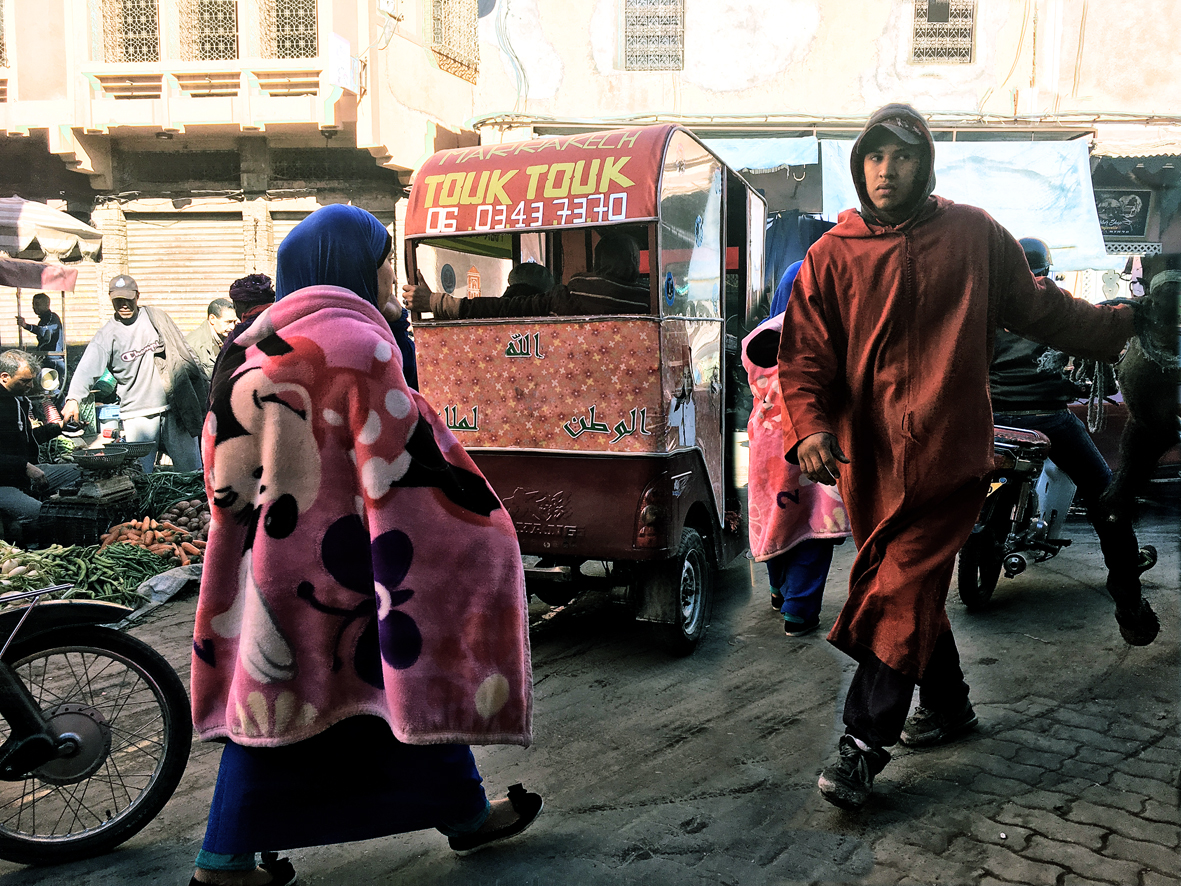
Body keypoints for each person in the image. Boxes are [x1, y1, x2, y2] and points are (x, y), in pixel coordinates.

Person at [776, 103, 1140, 811]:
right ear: (859, 166)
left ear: (924, 164)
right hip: (868, 462)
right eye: (874, 157)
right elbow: (804, 357)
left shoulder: (973, 234)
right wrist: (809, 427)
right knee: (906, 581)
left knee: (900, 584)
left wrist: (1126, 324)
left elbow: (1043, 310)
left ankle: (860, 743)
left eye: (902, 156)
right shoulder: (831, 255)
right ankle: (947, 706)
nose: (887, 170)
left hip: (948, 450)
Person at [189, 204, 540, 886]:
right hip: (352, 564)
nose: (390, 280)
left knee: (282, 701)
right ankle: (221, 863)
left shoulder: (249, 349)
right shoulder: (361, 348)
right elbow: (411, 463)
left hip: (268, 569)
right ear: (348, 267)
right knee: (398, 679)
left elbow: (220, 471)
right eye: (383, 263)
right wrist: (483, 530)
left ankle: (463, 816)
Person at [990, 237, 1158, 645]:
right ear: (1046, 271)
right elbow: (1096, 323)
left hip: (991, 420)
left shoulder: (983, 305)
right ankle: (1129, 600)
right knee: (1108, 499)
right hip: (1048, 419)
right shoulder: (1052, 307)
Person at [743, 260, 851, 636]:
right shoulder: (823, 334)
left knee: (780, 515)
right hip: (810, 437)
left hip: (766, 445)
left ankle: (778, 590)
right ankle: (799, 612)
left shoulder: (757, 336)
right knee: (813, 524)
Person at [61, 275, 208, 474]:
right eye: (118, 300)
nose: (124, 305)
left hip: (175, 408)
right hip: (138, 414)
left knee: (192, 472)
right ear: (111, 299)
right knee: (142, 475)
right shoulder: (107, 335)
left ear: (137, 296)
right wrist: (73, 398)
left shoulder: (156, 318)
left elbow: (182, 352)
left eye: (128, 299)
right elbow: (88, 367)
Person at [406, 230, 648, 318]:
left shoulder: (569, 297)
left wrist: (434, 302)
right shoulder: (650, 304)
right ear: (636, 264)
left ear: (597, 263)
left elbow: (503, 309)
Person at [0, 350, 79, 542]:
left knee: (81, 471)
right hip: (3, 482)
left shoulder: (17, 399)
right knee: (44, 515)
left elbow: (27, 439)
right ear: (4, 377)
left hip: (22, 475)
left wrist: (59, 427)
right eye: (25, 381)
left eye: (32, 380)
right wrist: (25, 467)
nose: (31, 386)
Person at [16, 293, 66, 403]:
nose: (34, 307)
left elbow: (45, 332)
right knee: (45, 390)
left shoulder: (52, 319)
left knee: (53, 390)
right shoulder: (44, 319)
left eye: (38, 304)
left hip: (54, 360)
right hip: (46, 358)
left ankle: (64, 415)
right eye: (33, 304)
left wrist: (26, 326)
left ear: (47, 304)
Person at [186, 298, 238, 381]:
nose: (232, 327)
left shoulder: (229, 336)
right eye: (228, 322)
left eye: (234, 322)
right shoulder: (194, 345)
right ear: (212, 319)